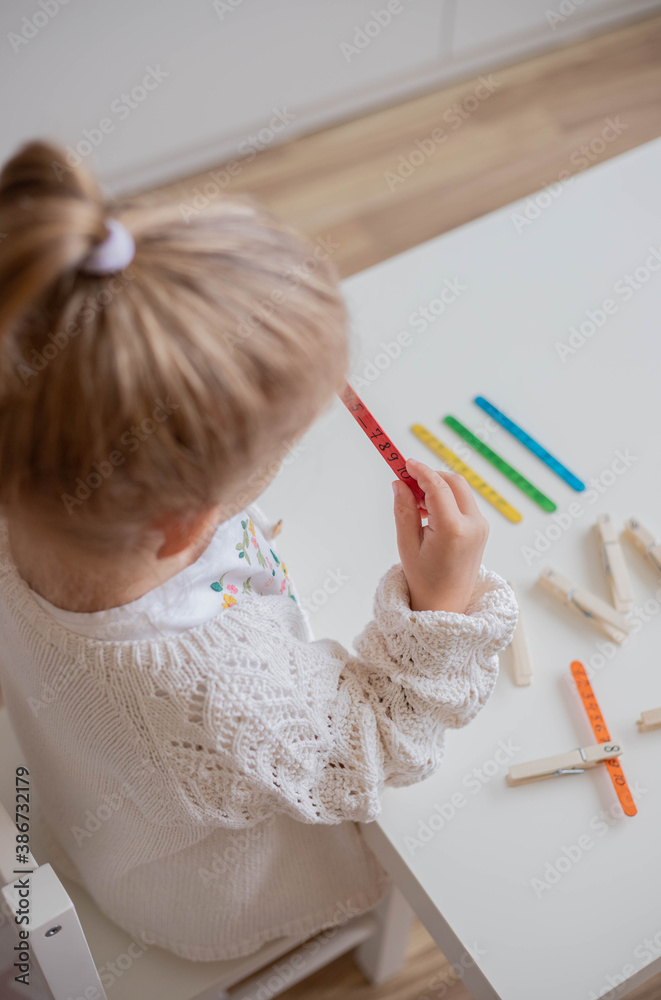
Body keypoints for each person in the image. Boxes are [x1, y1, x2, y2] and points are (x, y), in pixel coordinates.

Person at [0, 141, 517, 961]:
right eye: (274, 449)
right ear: (178, 524)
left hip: (91, 790)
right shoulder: (221, 691)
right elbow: (374, 750)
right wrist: (440, 608)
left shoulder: (26, 465)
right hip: (209, 895)